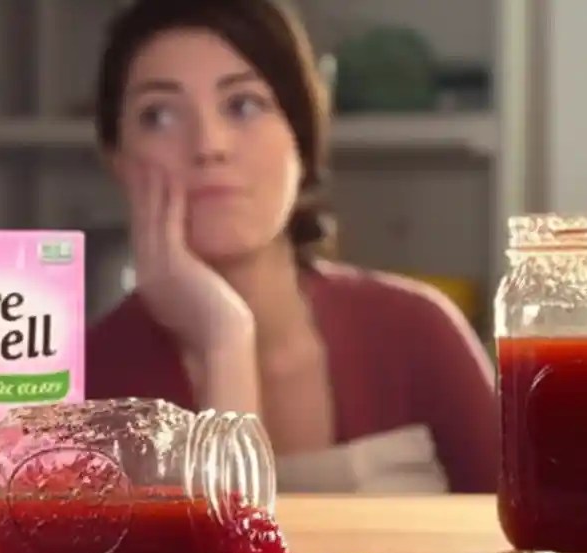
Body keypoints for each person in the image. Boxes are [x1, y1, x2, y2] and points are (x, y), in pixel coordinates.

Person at [85, 0, 500, 494]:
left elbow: (530, 552)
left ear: (302, 140)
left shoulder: (419, 332)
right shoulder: (90, 379)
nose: (209, 145)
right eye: (159, 115)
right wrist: (225, 339)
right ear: (118, 160)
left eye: (243, 105)